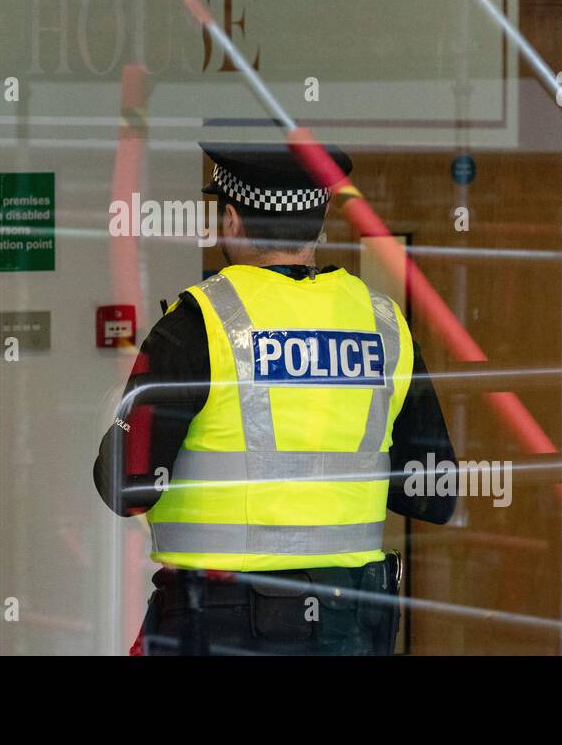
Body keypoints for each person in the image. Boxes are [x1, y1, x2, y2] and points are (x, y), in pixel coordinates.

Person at [94, 142, 457, 655]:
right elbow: (433, 495)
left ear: (232, 219)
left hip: (223, 622)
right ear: (322, 217)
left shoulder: (200, 324)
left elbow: (123, 485)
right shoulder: (384, 325)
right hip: (349, 623)